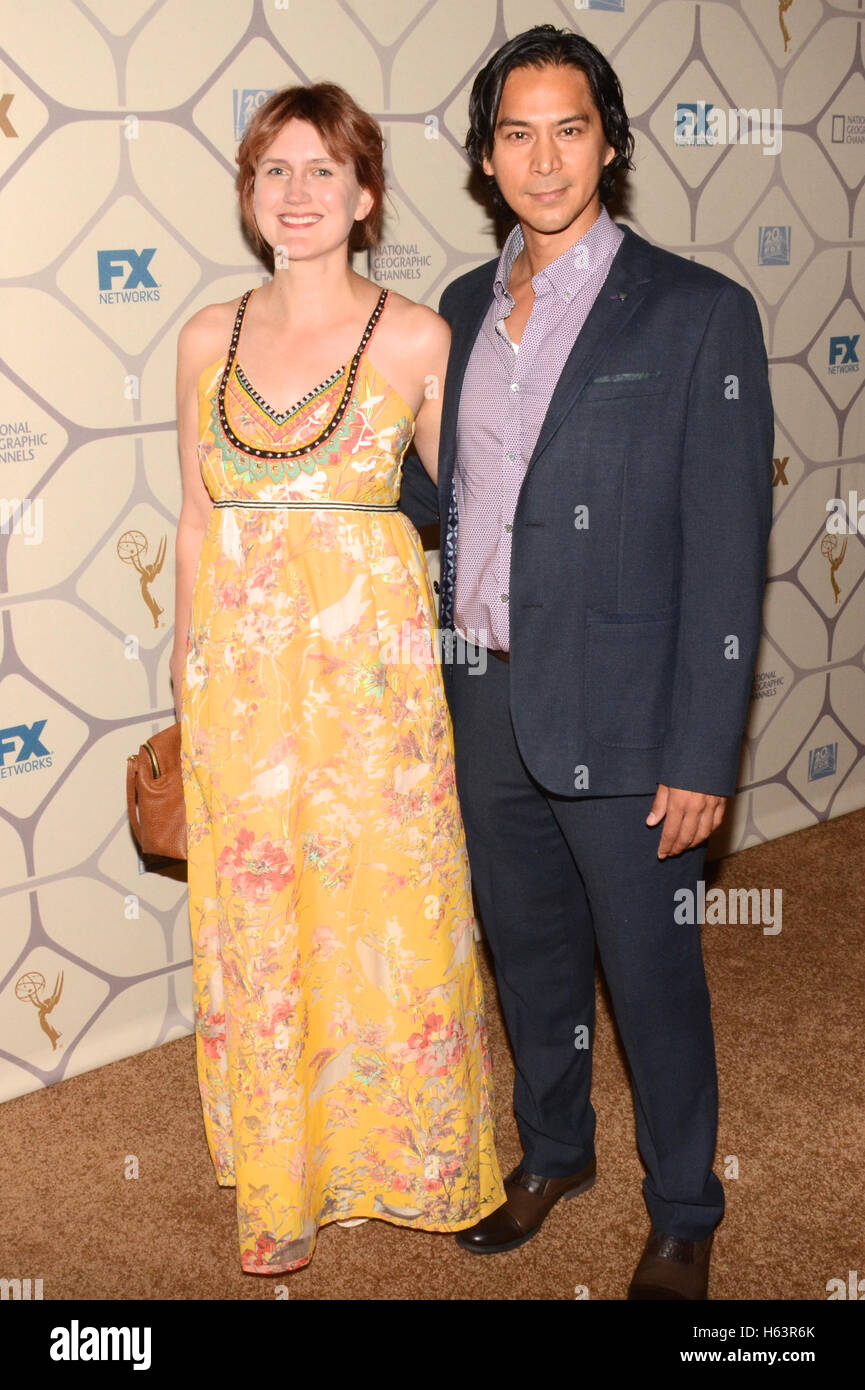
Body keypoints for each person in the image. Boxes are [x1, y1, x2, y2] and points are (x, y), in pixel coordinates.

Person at [398, 25, 774, 1299]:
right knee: (533, 951)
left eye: (569, 128)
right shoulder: (457, 307)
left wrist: (697, 752)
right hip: (487, 691)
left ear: (608, 143)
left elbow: (728, 554)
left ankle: (685, 1207)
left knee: (651, 971)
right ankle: (556, 1150)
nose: (543, 156)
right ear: (485, 154)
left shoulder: (696, 312)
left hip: (627, 713)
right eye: (516, 131)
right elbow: (437, 501)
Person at [170, 82, 505, 1276]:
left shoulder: (419, 336)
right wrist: (185, 670)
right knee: (264, 926)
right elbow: (198, 520)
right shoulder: (207, 334)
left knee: (392, 909)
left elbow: (467, 518)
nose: (297, 193)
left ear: (366, 195)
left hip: (375, 681)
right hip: (242, 683)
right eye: (274, 171)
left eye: (323, 171)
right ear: (250, 195)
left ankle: (412, 1157)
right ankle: (283, 1178)